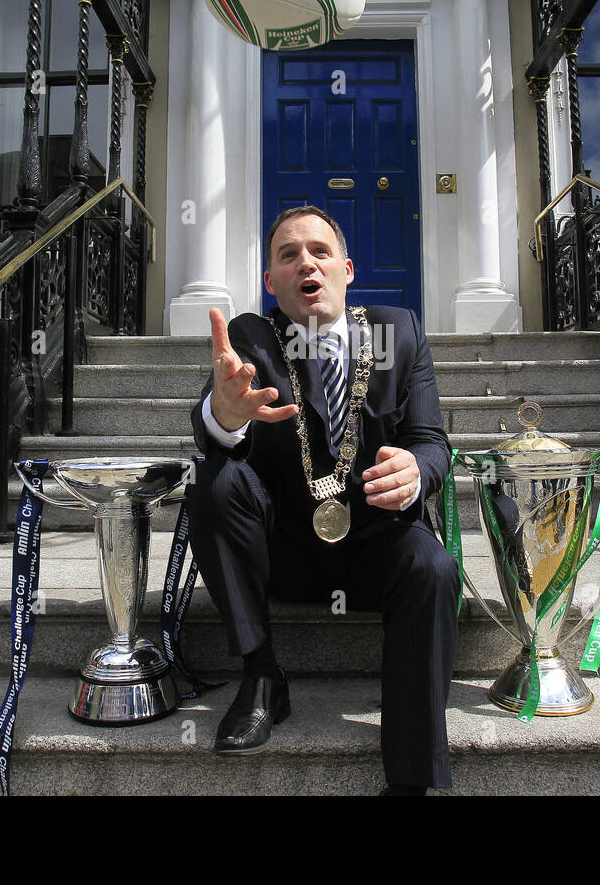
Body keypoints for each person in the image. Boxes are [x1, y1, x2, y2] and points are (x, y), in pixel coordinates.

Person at [187, 205, 458, 795]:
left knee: (434, 567)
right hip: (282, 551)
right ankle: (261, 675)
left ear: (347, 269)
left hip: (376, 545)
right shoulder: (250, 339)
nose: (305, 262)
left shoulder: (401, 332)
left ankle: (415, 780)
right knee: (214, 478)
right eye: (287, 255)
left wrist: (417, 471)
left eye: (319, 251)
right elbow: (213, 421)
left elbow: (432, 440)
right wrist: (223, 416)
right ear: (271, 283)